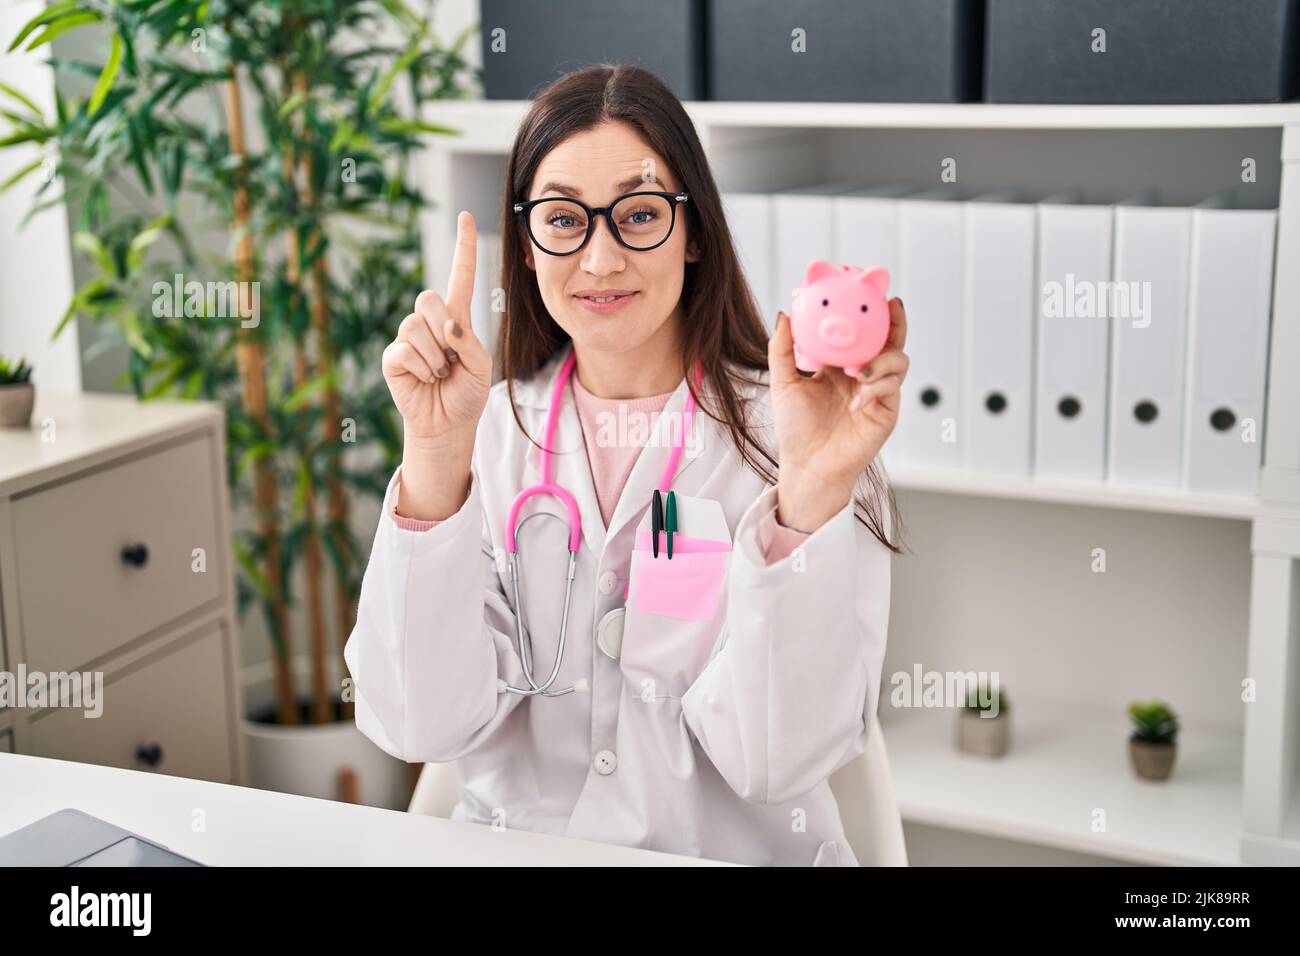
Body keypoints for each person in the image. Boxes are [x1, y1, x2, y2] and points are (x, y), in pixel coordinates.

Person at [344, 64, 910, 866]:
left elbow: (775, 760)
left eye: (639, 215)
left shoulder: (801, 435)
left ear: (695, 231)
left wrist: (808, 499)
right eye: (564, 220)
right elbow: (414, 725)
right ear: (529, 244)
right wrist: (435, 460)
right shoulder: (489, 431)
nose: (601, 260)